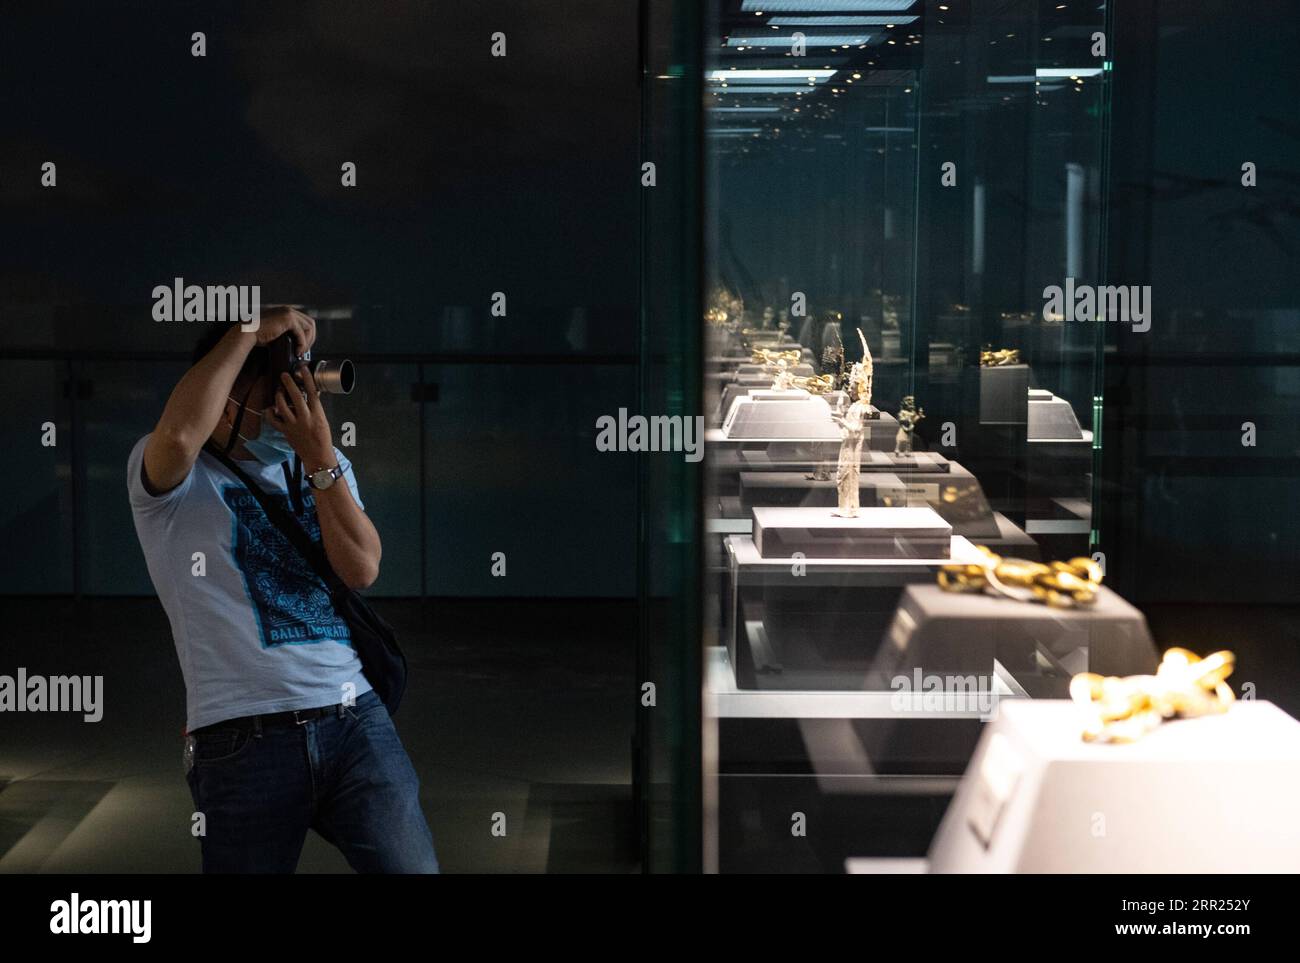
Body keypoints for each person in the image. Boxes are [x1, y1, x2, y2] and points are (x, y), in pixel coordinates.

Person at [126, 307, 438, 873]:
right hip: (242, 738)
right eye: (272, 391)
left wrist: (320, 458)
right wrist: (247, 331)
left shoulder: (320, 464)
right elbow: (178, 432)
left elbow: (363, 568)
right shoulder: (176, 478)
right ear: (226, 391)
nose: (285, 407)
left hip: (353, 716)